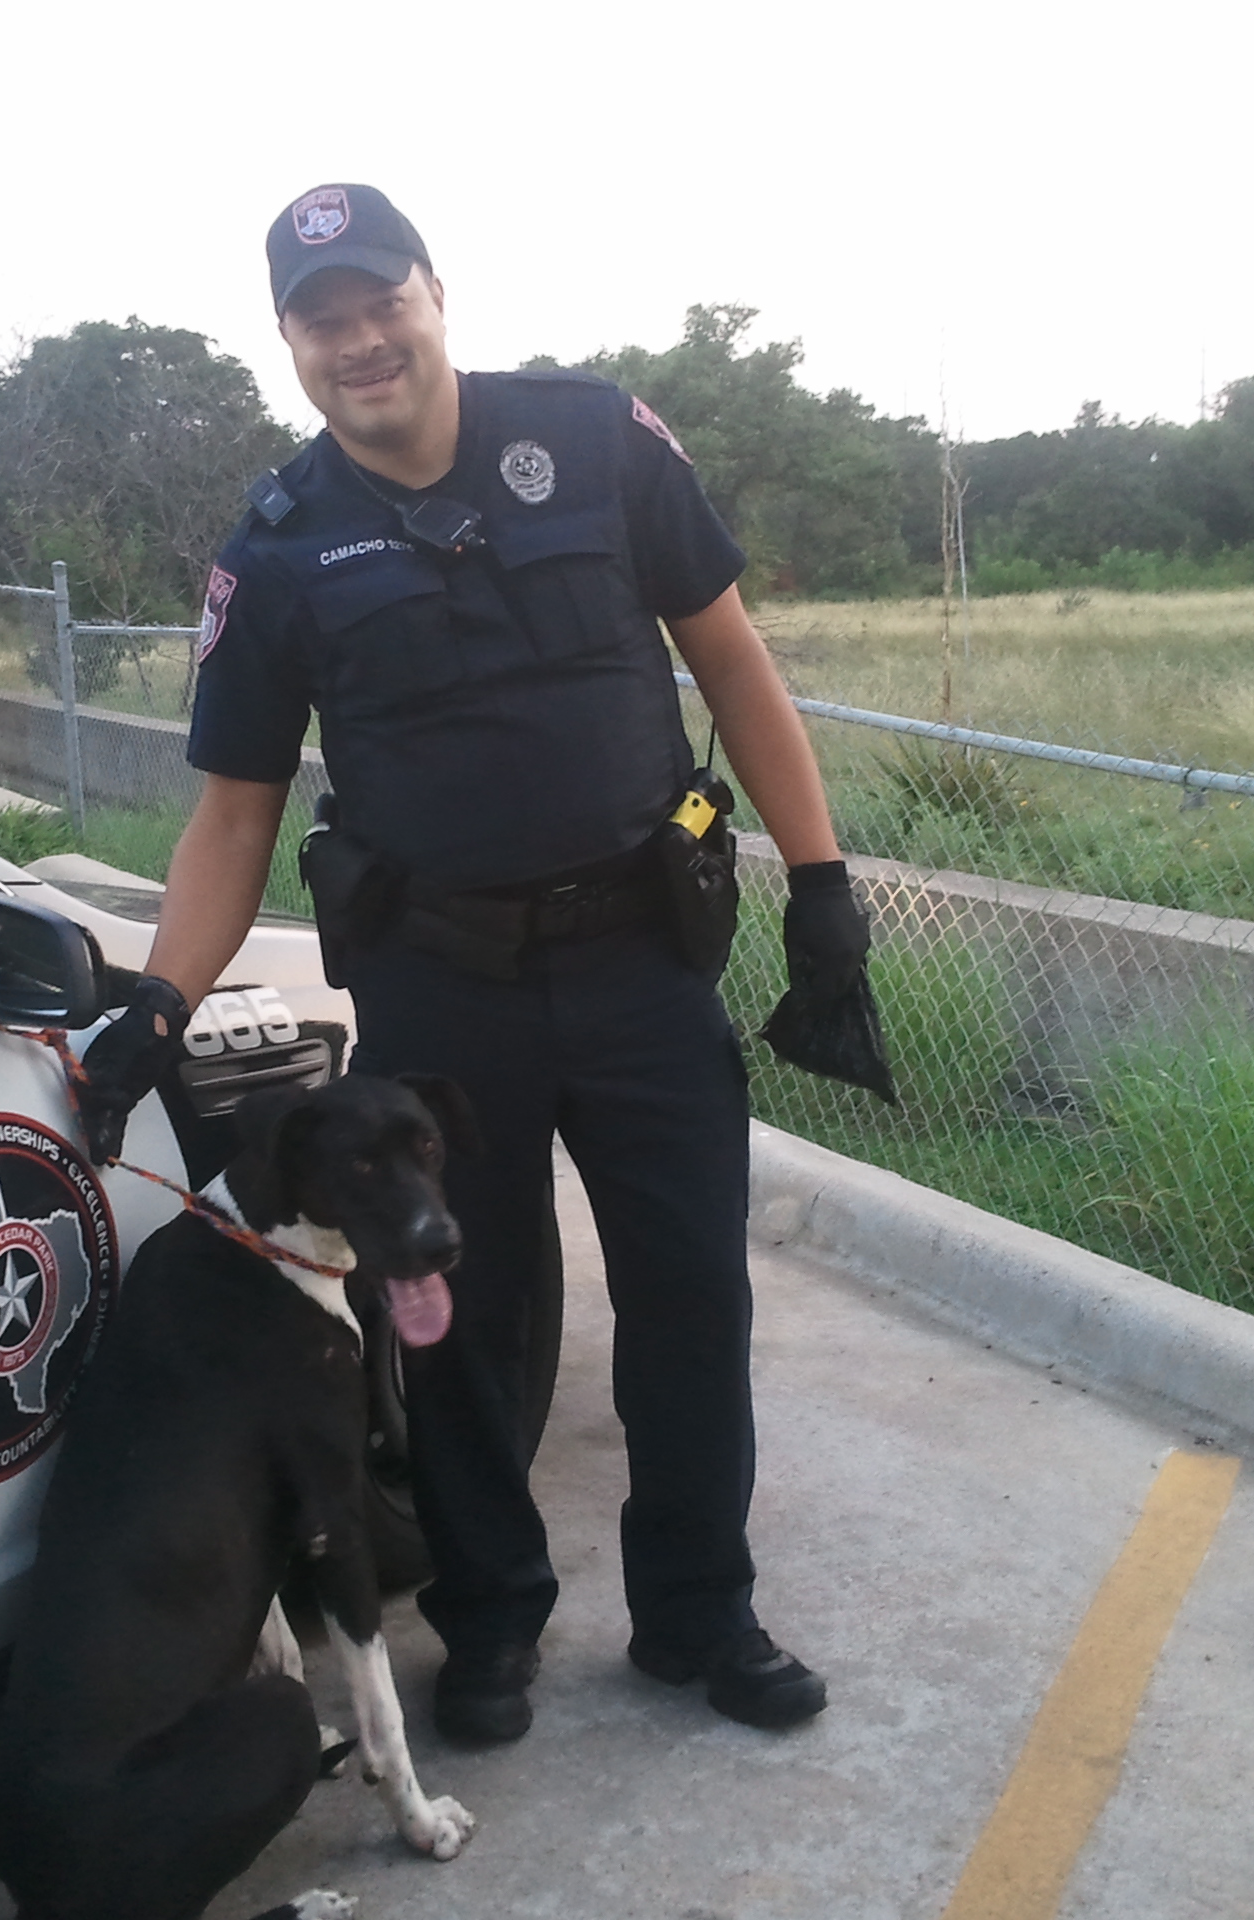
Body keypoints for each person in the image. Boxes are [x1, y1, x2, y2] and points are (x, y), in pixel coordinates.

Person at [73, 183, 874, 1745]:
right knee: (451, 1313)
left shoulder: (596, 441)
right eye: (324, 318)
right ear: (291, 343)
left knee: (691, 1302)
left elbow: (732, 660)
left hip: (644, 961)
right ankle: (491, 1619)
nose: (362, 339)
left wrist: (824, 882)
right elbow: (234, 814)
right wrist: (157, 1002)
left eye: (383, 300)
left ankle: (700, 1612)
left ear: (435, 293)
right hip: (443, 999)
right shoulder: (282, 545)